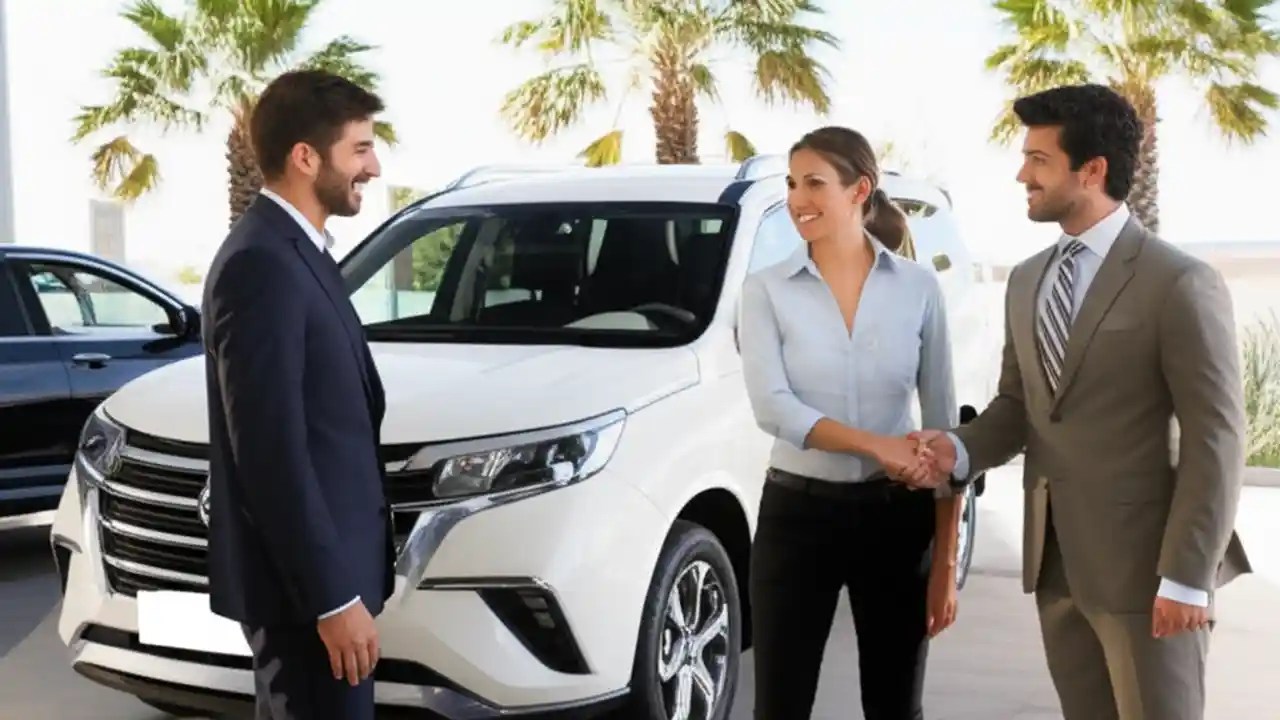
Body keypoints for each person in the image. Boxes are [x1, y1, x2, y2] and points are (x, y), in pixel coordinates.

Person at [907, 84, 1252, 720]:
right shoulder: (1027, 278)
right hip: (1056, 568)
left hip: (1150, 575)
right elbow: (1018, 407)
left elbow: (1218, 438)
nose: (1021, 175)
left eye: (1038, 159)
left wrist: (1186, 576)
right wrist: (954, 451)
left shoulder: (1178, 282)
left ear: (1091, 170)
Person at [738, 125, 963, 720]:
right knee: (779, 707)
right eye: (791, 183)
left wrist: (944, 562)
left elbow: (944, 431)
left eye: (814, 182)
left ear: (859, 188)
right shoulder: (765, 291)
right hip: (796, 520)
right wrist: (880, 446)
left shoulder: (918, 288)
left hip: (897, 522)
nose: (797, 198)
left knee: (895, 707)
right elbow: (774, 407)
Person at [202, 69, 392, 720]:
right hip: (307, 602)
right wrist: (332, 600)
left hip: (331, 586)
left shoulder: (299, 252)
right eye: (360, 148)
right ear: (305, 157)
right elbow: (270, 453)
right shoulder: (263, 264)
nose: (373, 166)